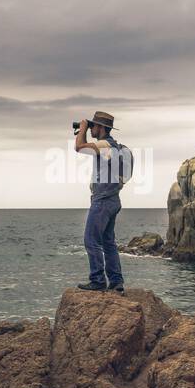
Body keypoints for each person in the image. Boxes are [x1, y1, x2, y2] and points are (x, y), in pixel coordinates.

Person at [74, 109, 129, 293]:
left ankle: (98, 280)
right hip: (113, 200)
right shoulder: (116, 147)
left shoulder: (105, 145)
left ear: (100, 127)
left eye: (92, 126)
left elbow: (79, 147)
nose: (91, 129)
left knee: (91, 240)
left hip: (103, 201)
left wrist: (81, 128)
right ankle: (116, 281)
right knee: (108, 242)